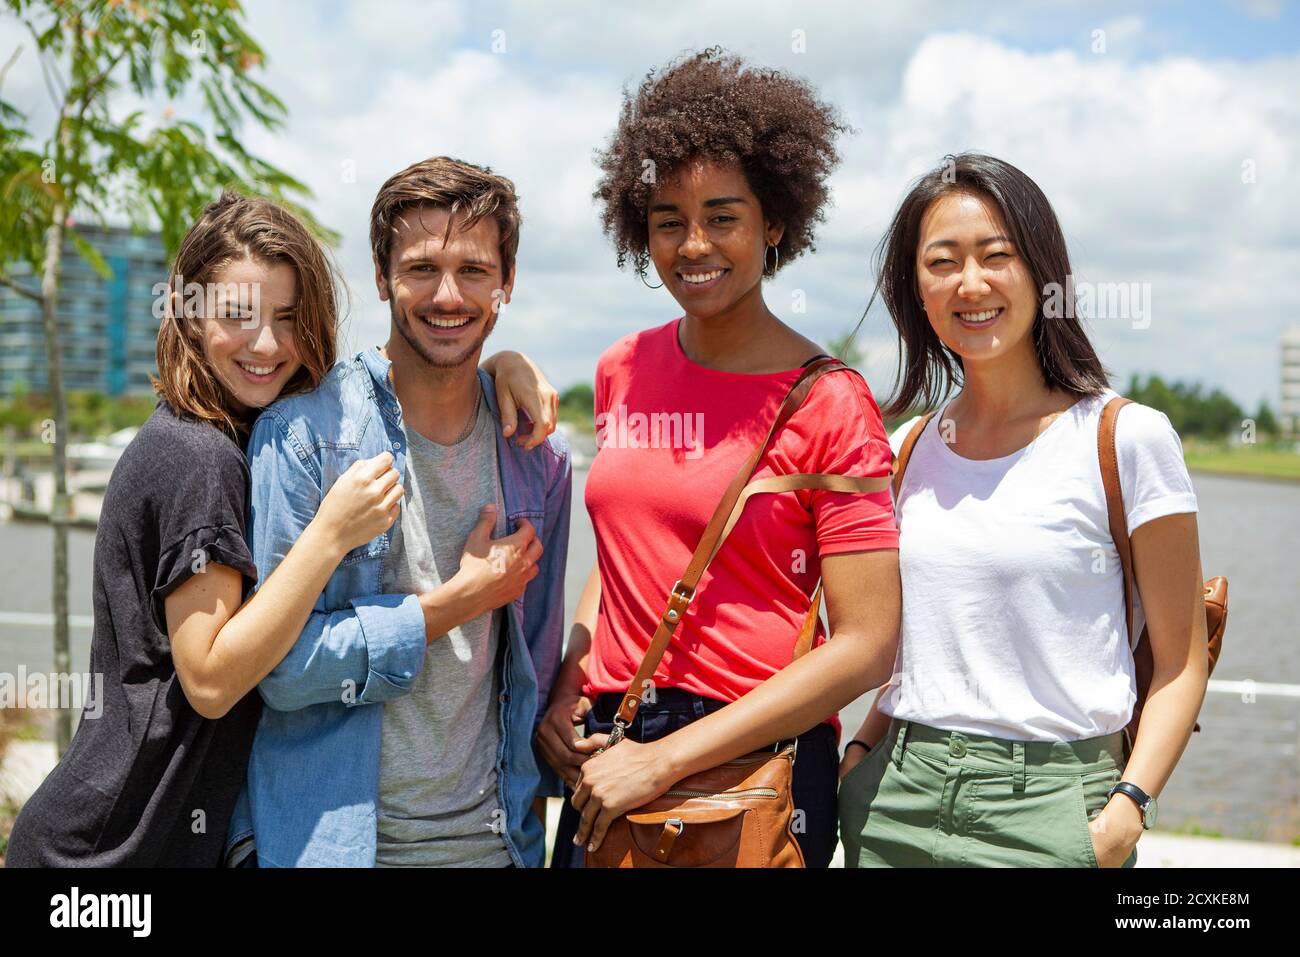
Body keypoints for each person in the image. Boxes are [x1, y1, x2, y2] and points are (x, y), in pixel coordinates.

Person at [3, 193, 550, 866]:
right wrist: (331, 536)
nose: (266, 344)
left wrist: (494, 367)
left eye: (288, 318)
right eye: (237, 316)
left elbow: (402, 371)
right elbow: (209, 678)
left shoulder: (233, 436)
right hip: (108, 853)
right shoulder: (198, 457)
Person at [536, 49, 902, 868]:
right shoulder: (620, 368)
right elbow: (625, 555)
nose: (694, 244)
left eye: (723, 216)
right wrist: (569, 687)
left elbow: (870, 643)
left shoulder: (830, 402)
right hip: (612, 743)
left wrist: (666, 759)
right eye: (669, 220)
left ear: (775, 223)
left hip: (752, 756)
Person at [837, 153, 1209, 868]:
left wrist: (1126, 810)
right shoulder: (906, 447)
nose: (970, 284)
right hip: (897, 797)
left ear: (1042, 272)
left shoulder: (1126, 438)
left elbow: (1181, 662)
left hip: (1053, 808)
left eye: (996, 256)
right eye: (942, 262)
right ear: (916, 288)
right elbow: (910, 645)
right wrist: (860, 754)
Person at [224, 157, 571, 868]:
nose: (448, 295)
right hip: (329, 846)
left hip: (494, 846)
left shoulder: (537, 455)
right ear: (381, 278)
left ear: (507, 285)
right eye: (420, 268)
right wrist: (450, 604)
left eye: (475, 271)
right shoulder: (303, 435)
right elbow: (278, 671)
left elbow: (530, 671)